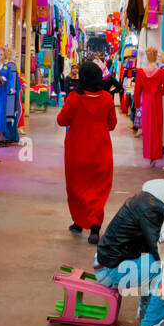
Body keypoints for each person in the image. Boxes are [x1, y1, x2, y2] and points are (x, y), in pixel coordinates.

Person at [93, 178, 164, 326]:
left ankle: (146, 313)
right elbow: (160, 252)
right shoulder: (151, 209)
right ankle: (150, 325)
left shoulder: (146, 201)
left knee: (158, 266)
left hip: (107, 264)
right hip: (109, 270)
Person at [56, 58, 116, 247]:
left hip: (77, 151)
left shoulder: (74, 97)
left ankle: (79, 222)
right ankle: (95, 228)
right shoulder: (106, 98)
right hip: (100, 150)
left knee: (77, 187)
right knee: (98, 188)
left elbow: (61, 120)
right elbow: (112, 125)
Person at [135, 46, 164, 163]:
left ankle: (148, 153)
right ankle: (155, 154)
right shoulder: (161, 72)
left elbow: (137, 90)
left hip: (146, 102)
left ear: (146, 56)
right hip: (157, 102)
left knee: (147, 128)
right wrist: (158, 91)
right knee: (156, 127)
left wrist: (136, 104)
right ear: (156, 57)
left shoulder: (140, 72)